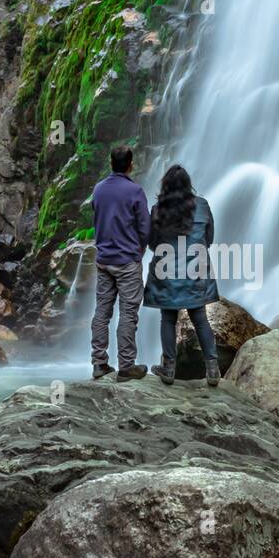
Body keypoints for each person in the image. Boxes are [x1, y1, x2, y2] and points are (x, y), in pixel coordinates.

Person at [145, 165, 220, 387]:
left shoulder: (158, 209)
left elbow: (152, 243)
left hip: (166, 270)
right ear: (189, 185)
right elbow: (209, 238)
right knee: (200, 319)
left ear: (165, 186)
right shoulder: (203, 206)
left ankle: (168, 368)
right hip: (195, 268)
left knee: (168, 318)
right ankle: (213, 368)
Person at [90, 147, 149, 381]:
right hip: (127, 262)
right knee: (128, 314)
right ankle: (126, 366)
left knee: (102, 312)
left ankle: (99, 363)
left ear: (110, 162)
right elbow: (145, 228)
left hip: (104, 260)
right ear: (130, 164)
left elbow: (96, 217)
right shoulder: (135, 191)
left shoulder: (99, 189)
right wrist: (139, 250)